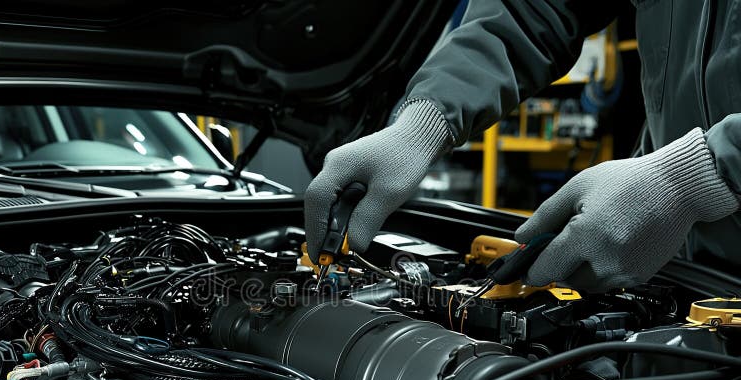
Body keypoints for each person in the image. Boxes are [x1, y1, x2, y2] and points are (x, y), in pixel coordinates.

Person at [304, 1, 741, 292]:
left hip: (674, 212)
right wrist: (423, 123)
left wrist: (692, 178)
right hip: (671, 267)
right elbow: (531, 9)